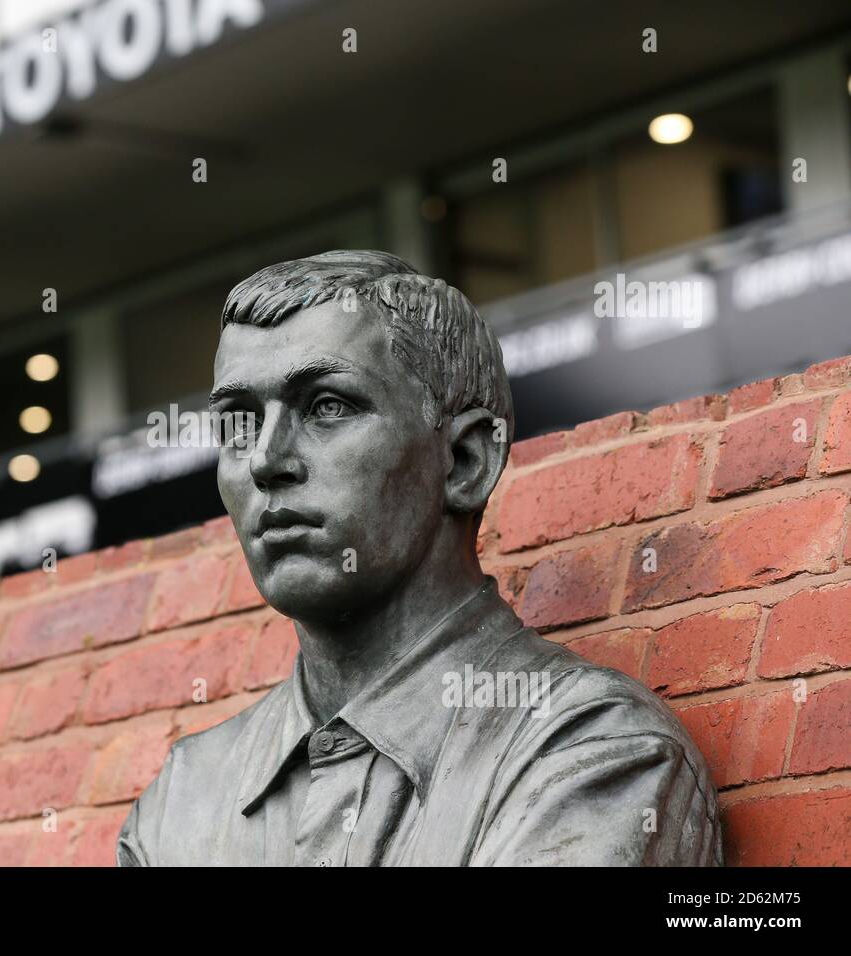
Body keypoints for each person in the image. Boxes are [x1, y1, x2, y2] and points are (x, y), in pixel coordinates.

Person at [117, 250, 722, 866]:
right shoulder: (184, 799)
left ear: (463, 461)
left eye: (328, 406)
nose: (265, 460)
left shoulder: (591, 752)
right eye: (240, 422)